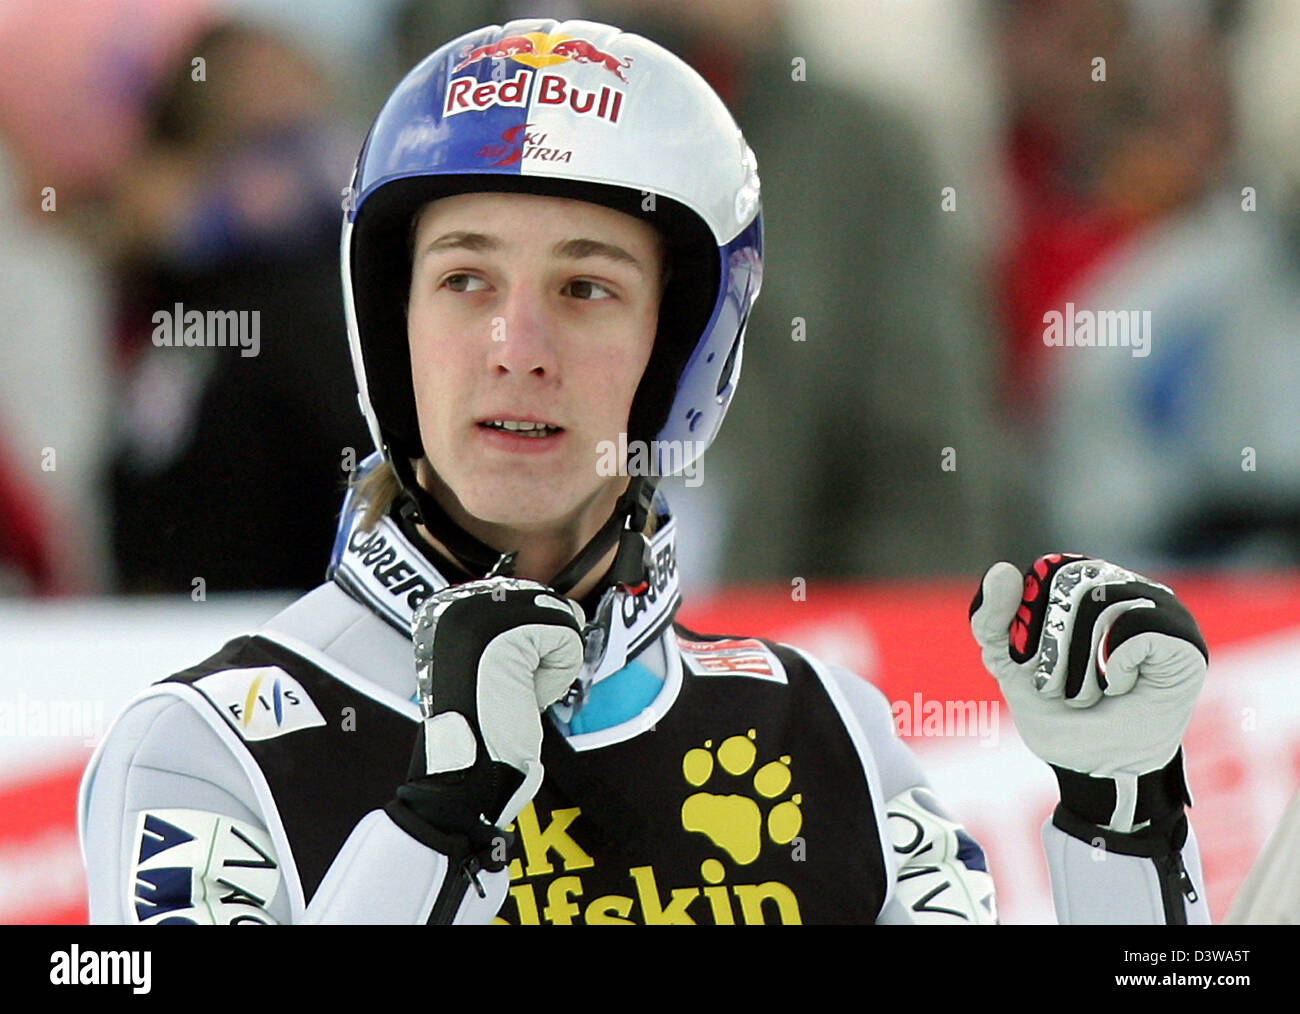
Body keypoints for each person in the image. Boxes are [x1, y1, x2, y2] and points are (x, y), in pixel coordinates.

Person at [78, 18, 1211, 925]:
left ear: (682, 356)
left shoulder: (831, 733)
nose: (516, 345)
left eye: (584, 290)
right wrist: (442, 818)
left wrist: (1123, 821)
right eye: (466, 280)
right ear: (391, 326)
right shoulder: (201, 747)